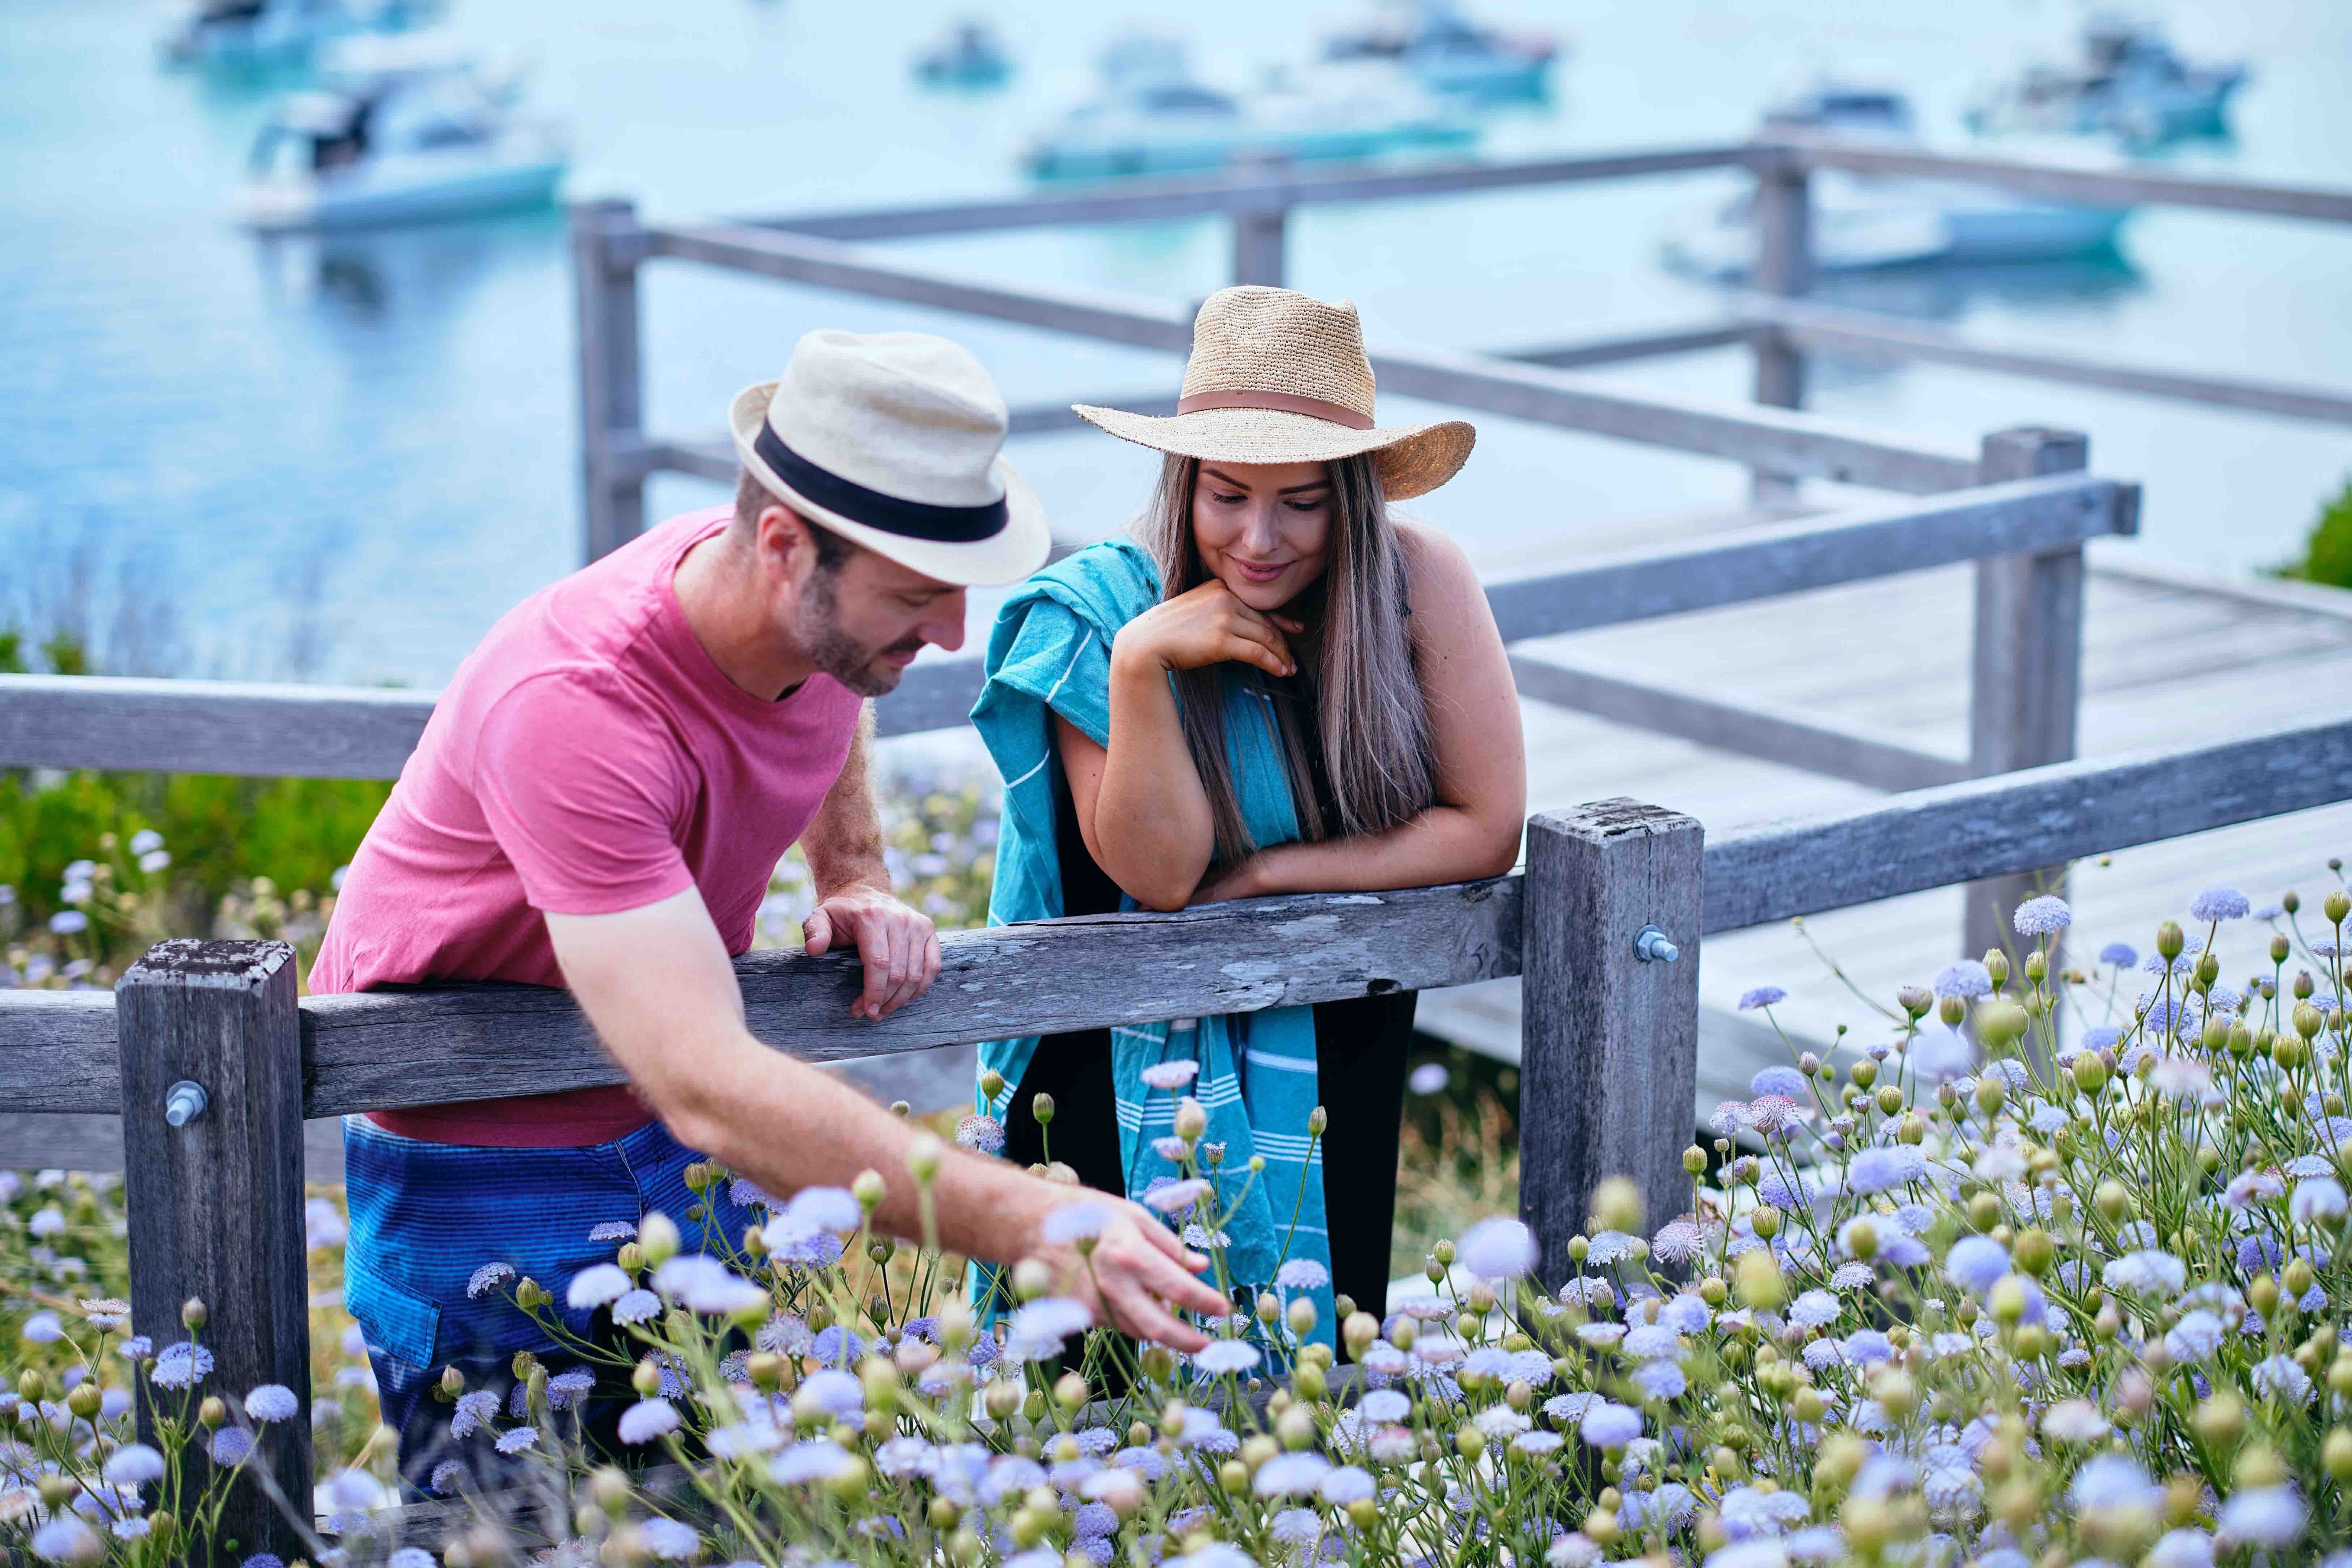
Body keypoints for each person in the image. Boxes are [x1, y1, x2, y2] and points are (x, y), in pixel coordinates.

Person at [310, 329, 1228, 1486]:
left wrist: (851, 869)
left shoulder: (785, 615)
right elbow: (708, 1082)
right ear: (785, 546)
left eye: (957, 589)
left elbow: (832, 686)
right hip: (488, 1189)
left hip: (662, 1158)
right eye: (915, 593)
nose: (950, 633)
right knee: (518, 1540)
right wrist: (1030, 1222)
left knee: (710, 1515)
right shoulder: (578, 707)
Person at [969, 286, 1525, 1344]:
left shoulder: (1417, 579)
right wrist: (1143, 668)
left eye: (1302, 503)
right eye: (1225, 497)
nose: (1259, 540)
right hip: (1121, 1066)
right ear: (1182, 483)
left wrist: (1275, 874)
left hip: (1332, 1041)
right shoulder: (1099, 616)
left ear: (1352, 494)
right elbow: (1165, 875)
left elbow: (1485, 823)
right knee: (1104, 1417)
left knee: (1310, 1399)